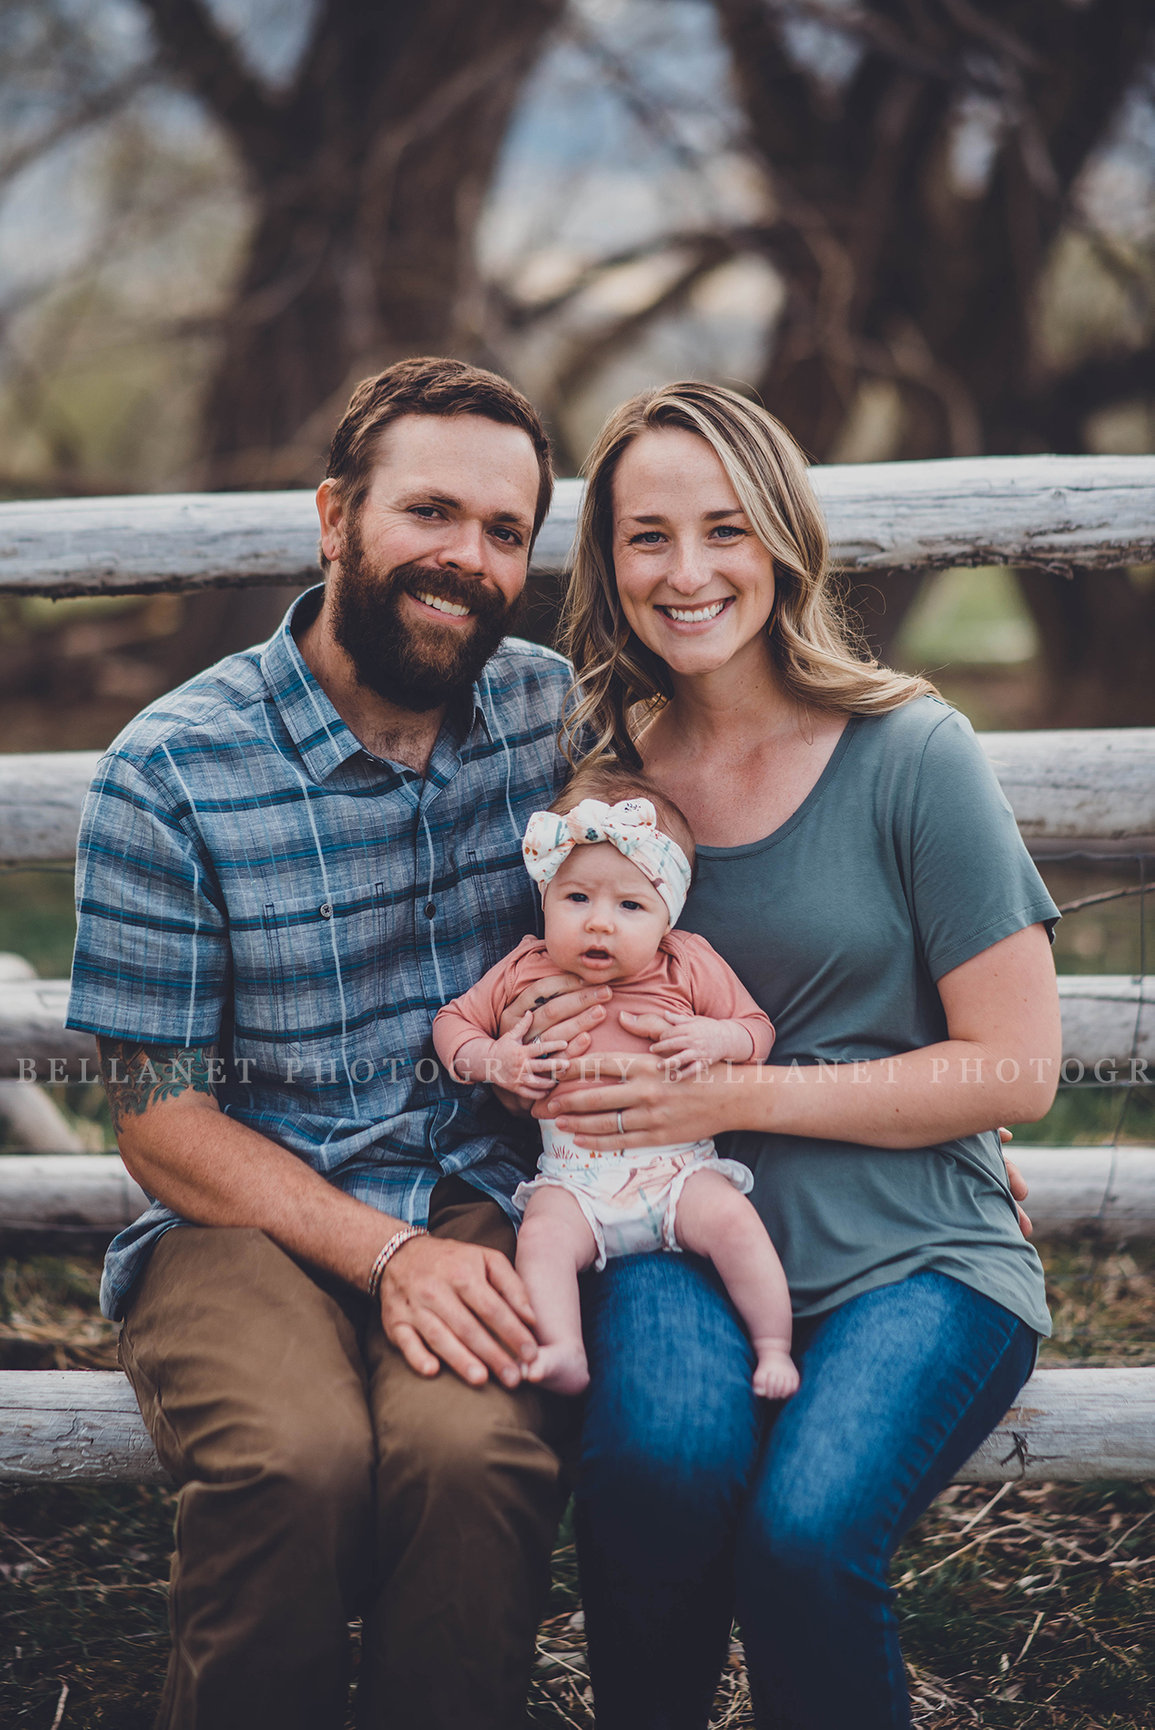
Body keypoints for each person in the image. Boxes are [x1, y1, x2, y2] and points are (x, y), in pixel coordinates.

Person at [64, 357, 613, 1730]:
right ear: (333, 517)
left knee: (471, 1453)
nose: (466, 560)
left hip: (480, 1193)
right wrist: (382, 1253)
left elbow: (731, 865)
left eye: (502, 532)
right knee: (293, 1462)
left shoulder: (548, 715)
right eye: (429, 512)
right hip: (236, 1208)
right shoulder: (173, 767)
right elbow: (152, 1114)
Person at [509, 380, 1062, 1730]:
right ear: (605, 561)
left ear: (782, 540)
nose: (685, 572)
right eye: (645, 536)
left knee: (804, 1538)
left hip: (912, 1249)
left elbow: (1014, 1068)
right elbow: (531, 983)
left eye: (722, 528)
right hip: (668, 1237)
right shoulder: (592, 771)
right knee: (658, 1468)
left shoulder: (910, 750)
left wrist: (735, 1088)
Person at [433, 762, 796, 1400]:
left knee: (737, 1225)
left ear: (667, 917)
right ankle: (563, 1349)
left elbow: (756, 1028)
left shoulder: (689, 964)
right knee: (542, 1238)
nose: (600, 922)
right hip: (574, 1176)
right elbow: (451, 1022)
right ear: (545, 896)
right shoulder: (523, 969)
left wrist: (718, 1040)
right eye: (577, 899)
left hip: (679, 1170)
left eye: (630, 905)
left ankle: (774, 1346)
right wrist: (494, 1060)